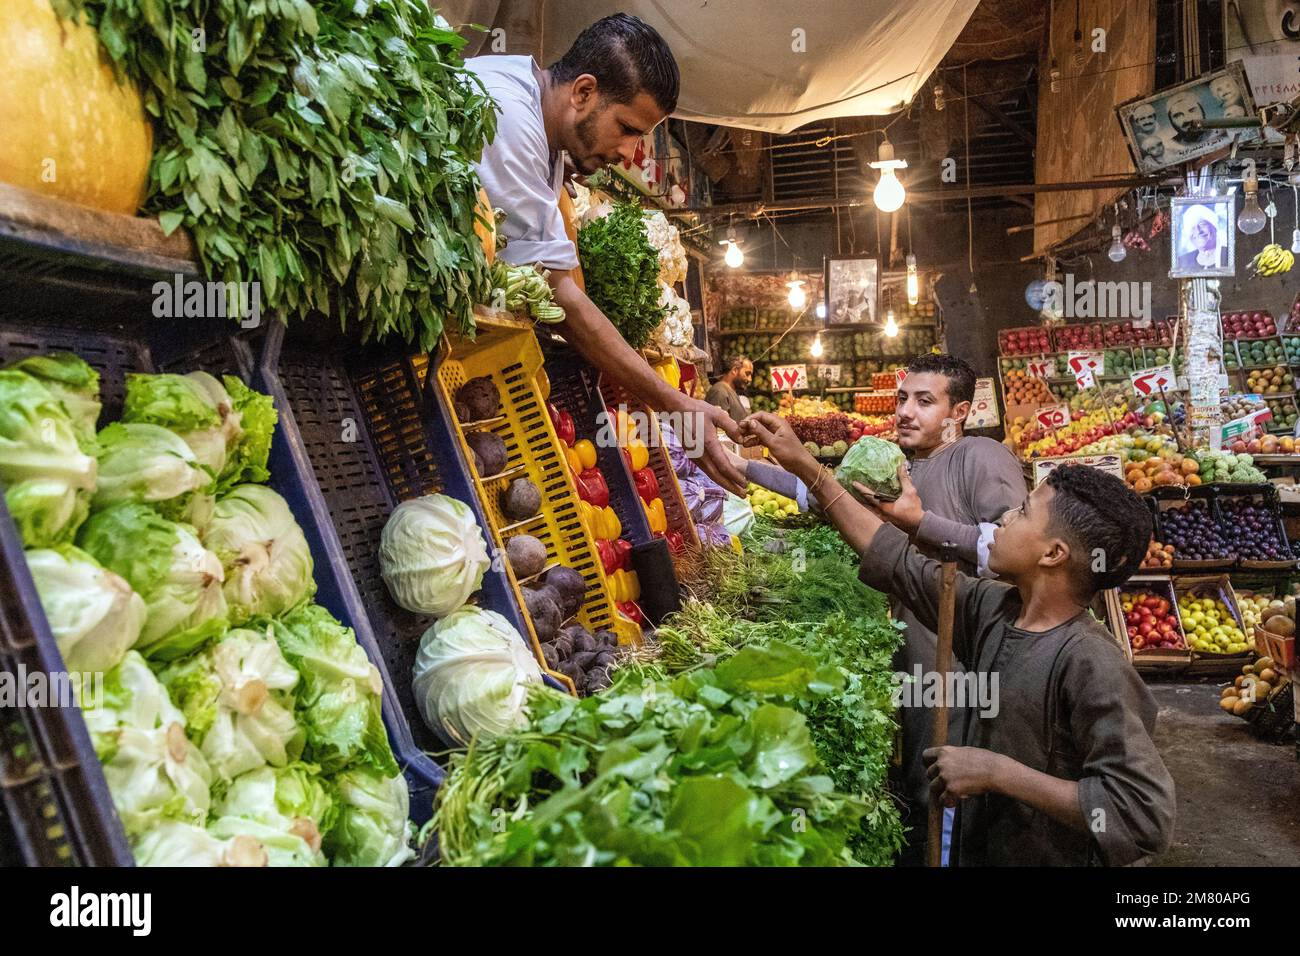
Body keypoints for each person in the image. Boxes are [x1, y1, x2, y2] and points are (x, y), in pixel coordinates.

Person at [738, 418, 1177, 866]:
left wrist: (997, 772)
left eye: (1023, 512)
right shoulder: (996, 609)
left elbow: (1139, 813)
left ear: (1053, 554)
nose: (1005, 518)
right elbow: (895, 560)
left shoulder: (1092, 662)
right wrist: (807, 467)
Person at [464, 15, 746, 494]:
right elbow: (561, 299)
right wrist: (673, 402)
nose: (632, 153)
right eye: (629, 129)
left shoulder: (540, 123)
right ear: (583, 92)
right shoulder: (511, 119)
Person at [859, 354, 1029, 864]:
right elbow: (829, 500)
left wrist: (921, 523)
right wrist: (741, 464)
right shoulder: (901, 465)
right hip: (917, 663)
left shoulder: (981, 455)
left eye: (924, 401)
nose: (905, 412)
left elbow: (1010, 549)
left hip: (959, 670)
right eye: (902, 399)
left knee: (948, 802)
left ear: (958, 412)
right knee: (921, 788)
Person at [1176, 205, 1227, 273]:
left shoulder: (1228, 255)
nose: (1198, 231)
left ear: (1214, 227)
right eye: (1192, 228)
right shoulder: (1182, 261)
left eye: (1202, 224)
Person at [705, 354, 753, 424]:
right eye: (747, 373)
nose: (750, 379)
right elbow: (719, 429)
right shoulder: (719, 392)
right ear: (734, 370)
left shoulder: (729, 391)